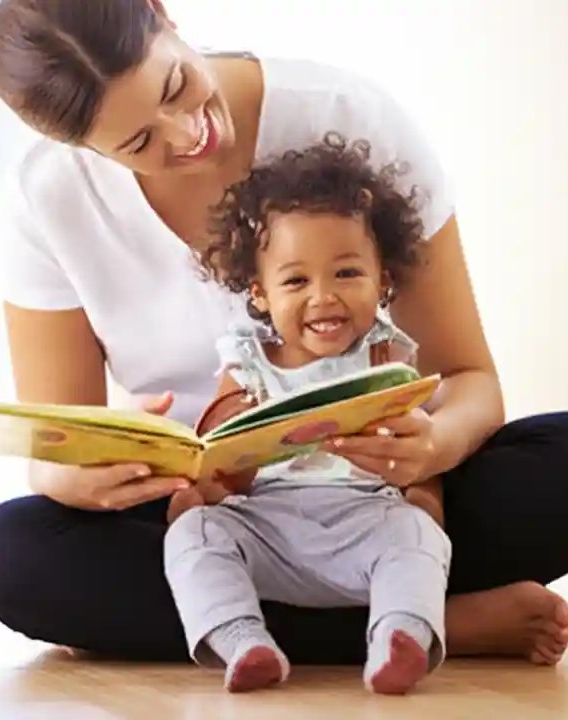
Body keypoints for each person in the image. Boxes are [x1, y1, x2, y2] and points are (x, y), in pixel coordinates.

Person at [0, 0, 568, 667]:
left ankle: (290, 618)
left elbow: (470, 379)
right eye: (139, 143)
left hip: (380, 499)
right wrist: (78, 477)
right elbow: (57, 441)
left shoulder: (347, 118)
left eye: (175, 86)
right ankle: (427, 621)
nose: (186, 133)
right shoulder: (46, 198)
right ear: (78, 146)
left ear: (162, 13)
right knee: (13, 553)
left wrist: (433, 445)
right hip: (218, 517)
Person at [165, 134, 448, 695]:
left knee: (417, 535)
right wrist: (206, 485)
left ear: (383, 280)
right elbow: (219, 461)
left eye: (347, 274)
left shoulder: (387, 356)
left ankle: (399, 635)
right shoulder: (245, 363)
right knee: (194, 533)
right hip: (266, 526)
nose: (323, 298)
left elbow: (416, 452)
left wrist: (428, 501)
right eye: (296, 281)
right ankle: (244, 639)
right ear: (260, 294)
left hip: (365, 522)